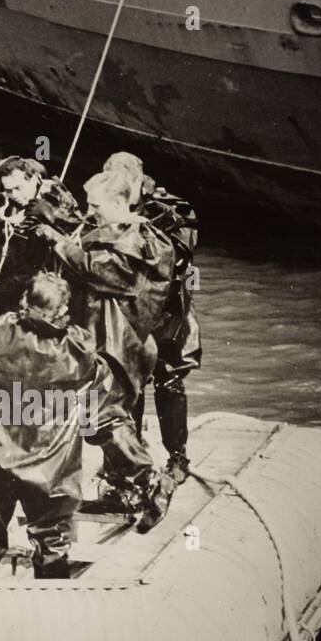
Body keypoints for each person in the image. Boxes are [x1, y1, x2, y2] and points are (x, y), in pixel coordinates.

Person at [0, 271, 155, 580]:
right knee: (51, 544)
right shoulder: (76, 351)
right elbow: (107, 378)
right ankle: (51, 608)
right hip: (50, 471)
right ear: (63, 313)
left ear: (25, 302)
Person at [32, 167, 176, 522]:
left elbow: (108, 275)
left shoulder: (137, 241)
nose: (90, 210)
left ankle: (151, 480)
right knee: (102, 416)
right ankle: (123, 492)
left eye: (96, 205)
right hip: (114, 341)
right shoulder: (124, 233)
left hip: (120, 345)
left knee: (101, 417)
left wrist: (59, 243)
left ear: (118, 201)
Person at [101, 152, 202, 482]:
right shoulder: (108, 208)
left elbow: (178, 256)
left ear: (135, 180)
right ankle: (134, 454)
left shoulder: (172, 209)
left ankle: (177, 457)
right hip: (130, 313)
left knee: (169, 379)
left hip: (169, 311)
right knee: (129, 385)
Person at [0, 155, 81, 313]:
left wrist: (53, 218)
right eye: (8, 190)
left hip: (40, 301)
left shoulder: (59, 204)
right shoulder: (2, 204)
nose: (14, 195)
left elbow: (77, 242)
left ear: (35, 180)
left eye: (18, 188)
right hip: (4, 294)